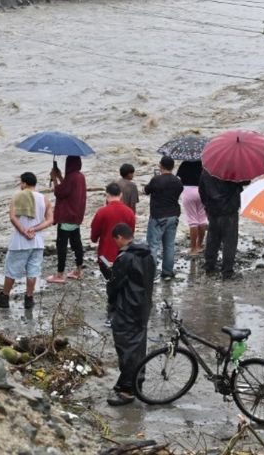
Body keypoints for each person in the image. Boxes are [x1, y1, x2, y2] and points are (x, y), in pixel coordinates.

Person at [106, 223, 155, 407]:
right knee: (138, 346)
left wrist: (111, 301)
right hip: (143, 306)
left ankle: (127, 390)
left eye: (116, 240)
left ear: (120, 237)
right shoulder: (147, 254)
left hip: (127, 308)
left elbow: (115, 285)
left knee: (126, 348)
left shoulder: (125, 258)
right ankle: (135, 382)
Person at [0, 172, 53, 310]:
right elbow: (50, 220)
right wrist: (35, 229)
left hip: (20, 242)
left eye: (21, 182)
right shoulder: (44, 199)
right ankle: (29, 299)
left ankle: (4, 297)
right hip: (37, 242)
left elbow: (13, 217)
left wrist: (23, 231)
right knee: (33, 271)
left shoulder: (17, 196)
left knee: (11, 270)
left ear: (24, 183)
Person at [199, 169, 244, 280]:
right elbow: (246, 181)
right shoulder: (233, 170)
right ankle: (227, 271)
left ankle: (209, 265)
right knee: (230, 241)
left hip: (213, 209)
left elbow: (202, 191)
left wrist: (207, 206)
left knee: (212, 238)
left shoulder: (207, 170)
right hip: (230, 210)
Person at [48, 155, 87, 283]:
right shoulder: (80, 176)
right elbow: (69, 189)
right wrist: (60, 176)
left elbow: (60, 192)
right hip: (76, 216)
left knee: (62, 246)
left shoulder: (71, 177)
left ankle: (60, 274)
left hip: (66, 216)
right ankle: (79, 270)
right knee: (77, 244)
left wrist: (54, 179)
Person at [144, 156, 184, 279]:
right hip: (173, 215)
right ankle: (167, 272)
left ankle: (150, 273)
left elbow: (146, 190)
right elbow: (179, 192)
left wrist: (154, 179)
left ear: (161, 165)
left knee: (153, 246)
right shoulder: (178, 181)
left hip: (158, 216)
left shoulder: (156, 180)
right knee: (169, 245)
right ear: (173, 166)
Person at [90, 183, 136, 280]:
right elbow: (131, 235)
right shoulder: (130, 212)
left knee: (110, 280)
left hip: (105, 256)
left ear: (107, 195)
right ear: (121, 195)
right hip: (125, 256)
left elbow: (94, 236)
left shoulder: (101, 212)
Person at [177, 160, 207, 256]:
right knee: (202, 220)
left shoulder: (185, 163)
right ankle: (199, 245)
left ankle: (193, 249)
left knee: (192, 220)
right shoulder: (205, 163)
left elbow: (178, 179)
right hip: (202, 191)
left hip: (188, 191)